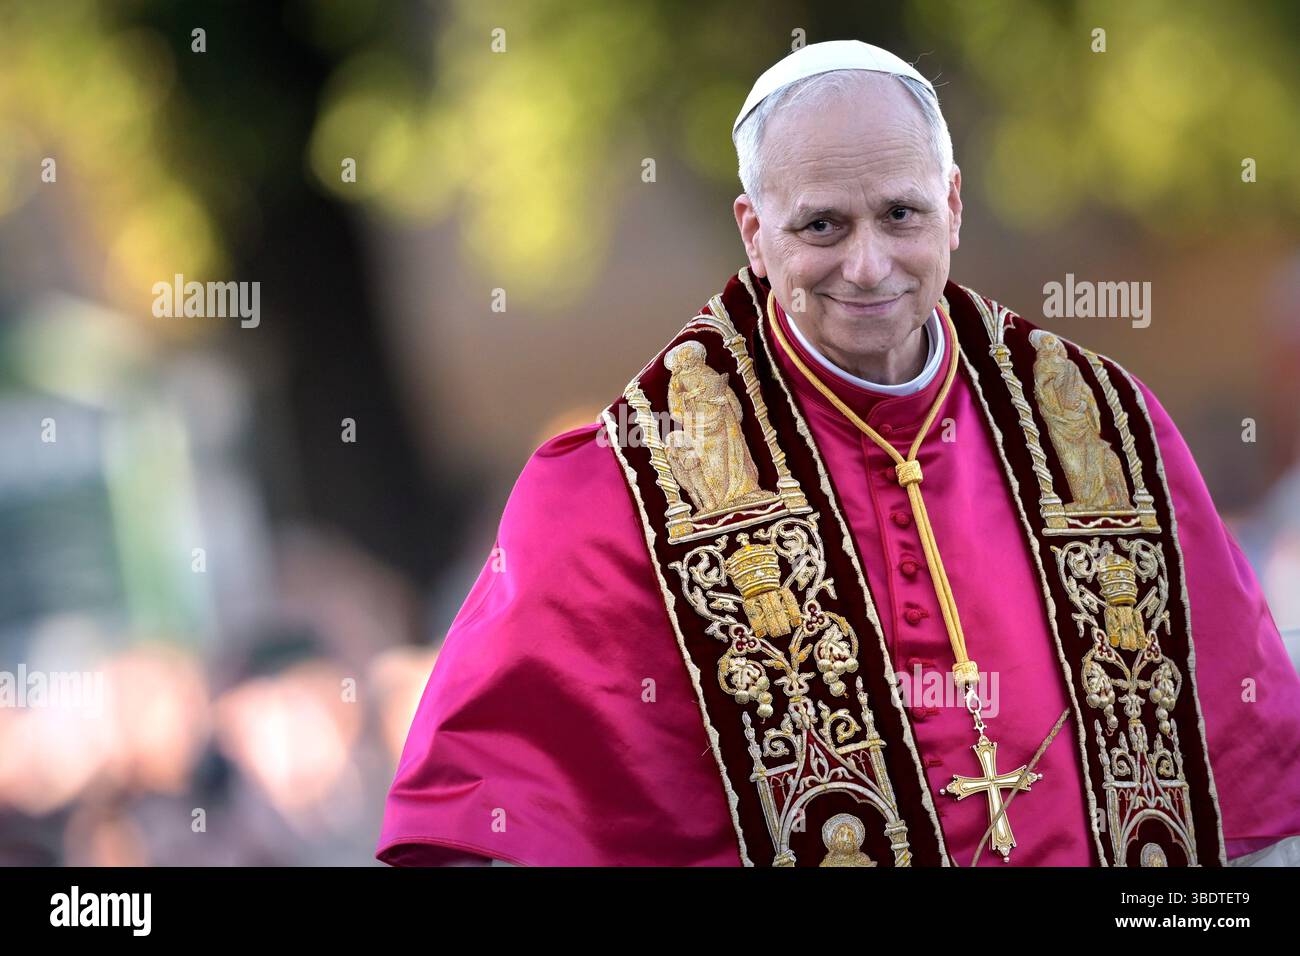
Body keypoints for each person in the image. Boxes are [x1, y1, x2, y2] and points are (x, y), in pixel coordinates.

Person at [377, 40, 1300, 867]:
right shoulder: (623, 484)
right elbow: (485, 822)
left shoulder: (1103, 430)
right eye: (822, 226)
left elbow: (1242, 772)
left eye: (900, 215)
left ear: (953, 204)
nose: (867, 266)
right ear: (754, 234)